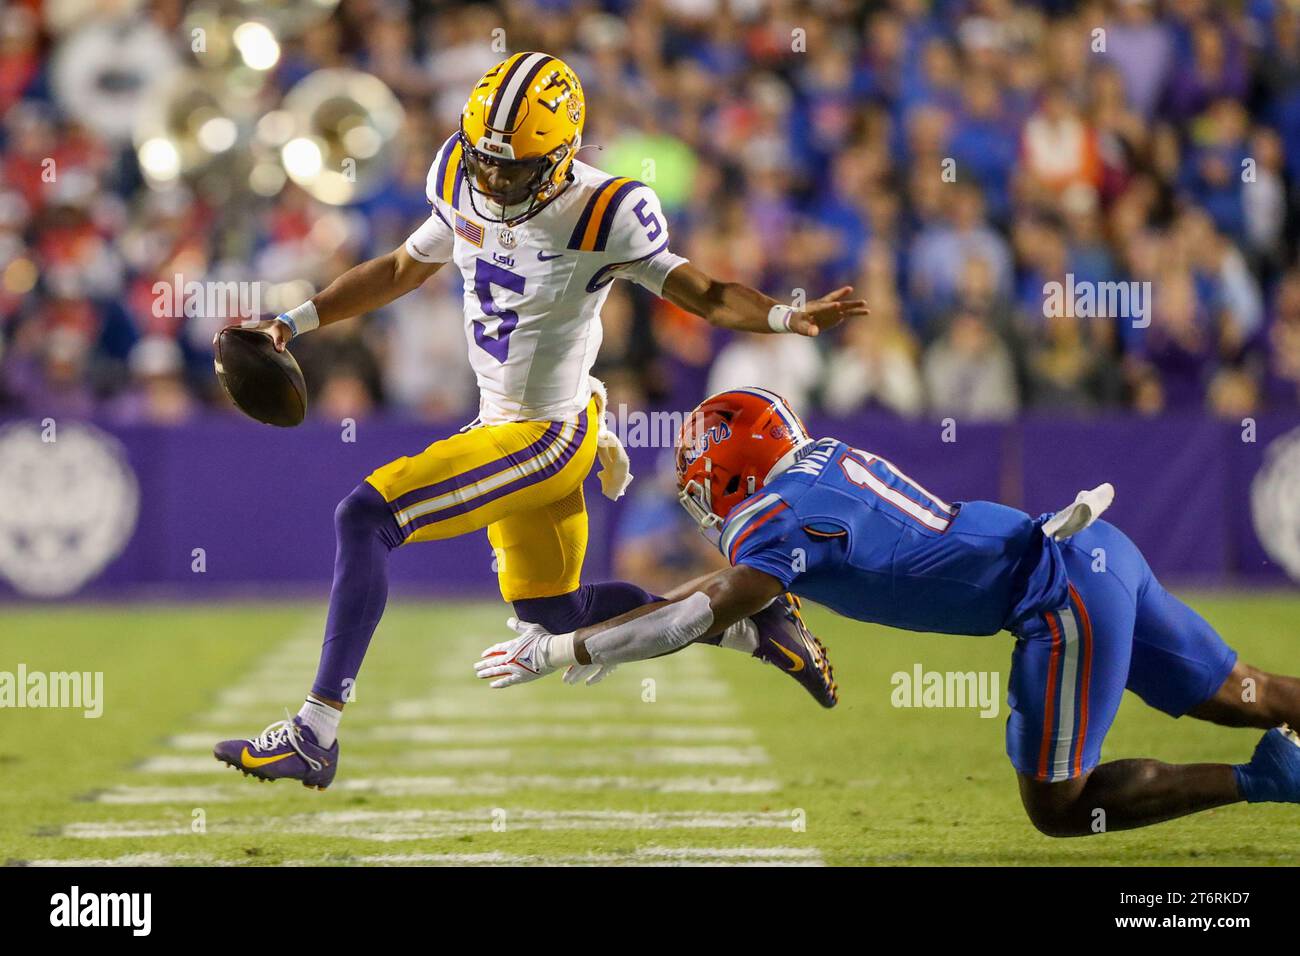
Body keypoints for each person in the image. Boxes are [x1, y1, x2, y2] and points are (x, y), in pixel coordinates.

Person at [212, 54, 861, 789]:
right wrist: (292, 322)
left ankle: (314, 732)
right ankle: (754, 623)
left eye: (511, 169)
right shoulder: (462, 170)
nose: (491, 182)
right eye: (485, 164)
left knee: (365, 517)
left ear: (561, 159)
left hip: (545, 433)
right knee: (558, 613)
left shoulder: (603, 209)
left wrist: (783, 313)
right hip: (516, 421)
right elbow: (400, 267)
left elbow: (704, 294)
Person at [476, 387, 1300, 835]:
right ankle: (1271, 757)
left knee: (1062, 806)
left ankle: (1264, 779)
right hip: (1097, 553)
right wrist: (602, 638)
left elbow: (693, 615)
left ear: (728, 475)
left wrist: (562, 652)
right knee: (1242, 692)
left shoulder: (771, 516)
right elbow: (709, 599)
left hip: (1059, 600)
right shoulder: (820, 466)